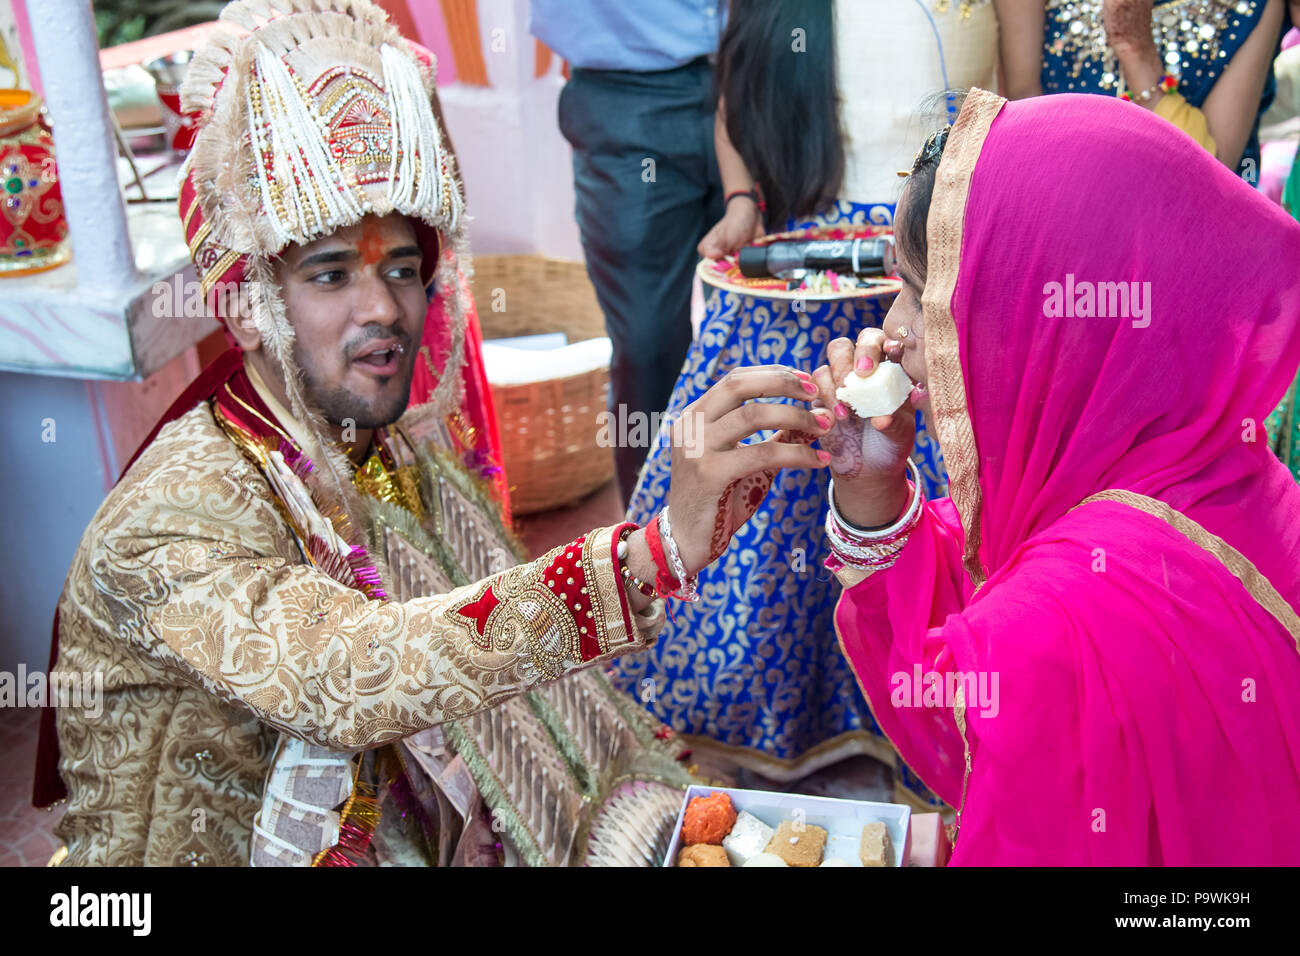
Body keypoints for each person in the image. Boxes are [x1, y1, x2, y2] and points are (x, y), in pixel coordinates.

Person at [32, 0, 833, 867]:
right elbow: (352, 672)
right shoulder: (174, 517)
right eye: (331, 274)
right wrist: (652, 551)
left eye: (402, 269)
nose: (382, 309)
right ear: (246, 307)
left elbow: (497, 672)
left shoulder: (392, 449)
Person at [813, 88, 1300, 863]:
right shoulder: (1220, 468)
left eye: (926, 291)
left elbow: (983, 706)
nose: (895, 331)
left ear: (1038, 319)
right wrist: (873, 494)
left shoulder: (1057, 623)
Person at [609, 0, 998, 798]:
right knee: (779, 484)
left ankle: (918, 725)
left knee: (926, 487)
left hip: (932, 267)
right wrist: (743, 201)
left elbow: (1021, 116)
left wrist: (961, 268)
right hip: (801, 268)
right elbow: (736, 95)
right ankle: (774, 724)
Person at [529, 0, 726, 504]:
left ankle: (757, 531)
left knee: (760, 322)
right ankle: (648, 529)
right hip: (625, 91)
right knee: (647, 345)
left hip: (759, 79)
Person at [999, 0, 1295, 181]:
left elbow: (1214, 178)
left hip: (1179, 238)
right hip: (1058, 212)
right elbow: (1020, 109)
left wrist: (1134, 46)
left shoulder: (1253, 6)